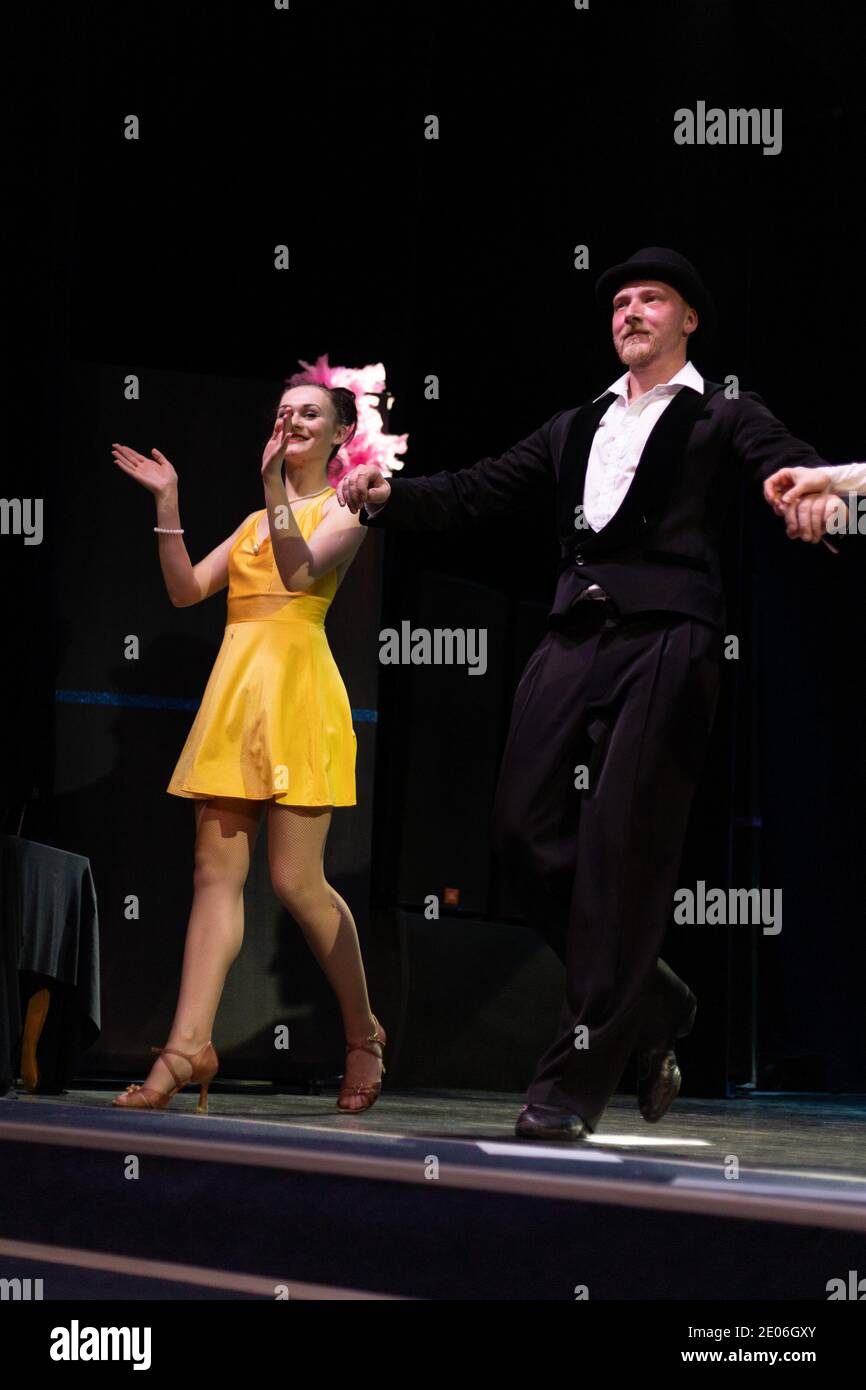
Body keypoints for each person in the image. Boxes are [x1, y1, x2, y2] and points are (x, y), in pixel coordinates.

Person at [338, 246, 859, 1142]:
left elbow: (785, 461)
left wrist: (816, 490)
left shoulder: (722, 413)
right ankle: (650, 998)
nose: (630, 312)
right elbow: (476, 491)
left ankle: (569, 1088)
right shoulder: (573, 424)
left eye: (650, 299)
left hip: (670, 640)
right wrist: (389, 497)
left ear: (688, 319)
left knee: (622, 851)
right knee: (518, 832)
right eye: (620, 301)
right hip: (574, 635)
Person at [109, 380, 386, 1114]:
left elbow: (300, 572)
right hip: (236, 698)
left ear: (339, 433)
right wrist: (168, 505)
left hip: (298, 698)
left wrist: (273, 488)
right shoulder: (251, 523)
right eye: (283, 410)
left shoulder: (353, 502)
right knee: (213, 877)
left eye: (309, 412)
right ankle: (186, 1048)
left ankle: (363, 1035)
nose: (289, 420)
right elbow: (185, 591)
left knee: (297, 883)